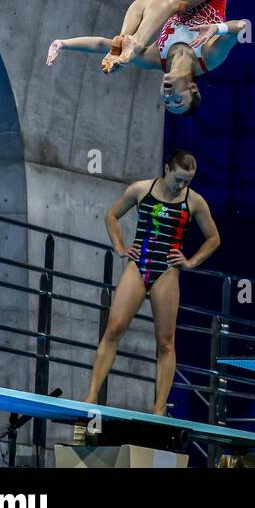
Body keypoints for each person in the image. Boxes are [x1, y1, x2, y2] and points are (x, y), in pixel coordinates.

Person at [84, 150, 220, 416]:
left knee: (166, 341)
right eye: (178, 179)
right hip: (139, 265)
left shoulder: (194, 202)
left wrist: (191, 262)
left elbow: (214, 238)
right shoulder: (141, 190)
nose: (182, 185)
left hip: (167, 271)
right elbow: (111, 215)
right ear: (166, 169)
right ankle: (91, 396)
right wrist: (121, 247)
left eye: (187, 181)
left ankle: (158, 409)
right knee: (113, 328)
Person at [46, 0, 248, 114]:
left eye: (167, 103)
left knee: (149, 1)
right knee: (172, 1)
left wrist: (63, 44)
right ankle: (135, 43)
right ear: (193, 89)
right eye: (178, 101)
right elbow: (242, 27)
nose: (169, 98)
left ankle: (128, 41)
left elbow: (101, 44)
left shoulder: (152, 59)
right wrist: (217, 28)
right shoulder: (209, 58)